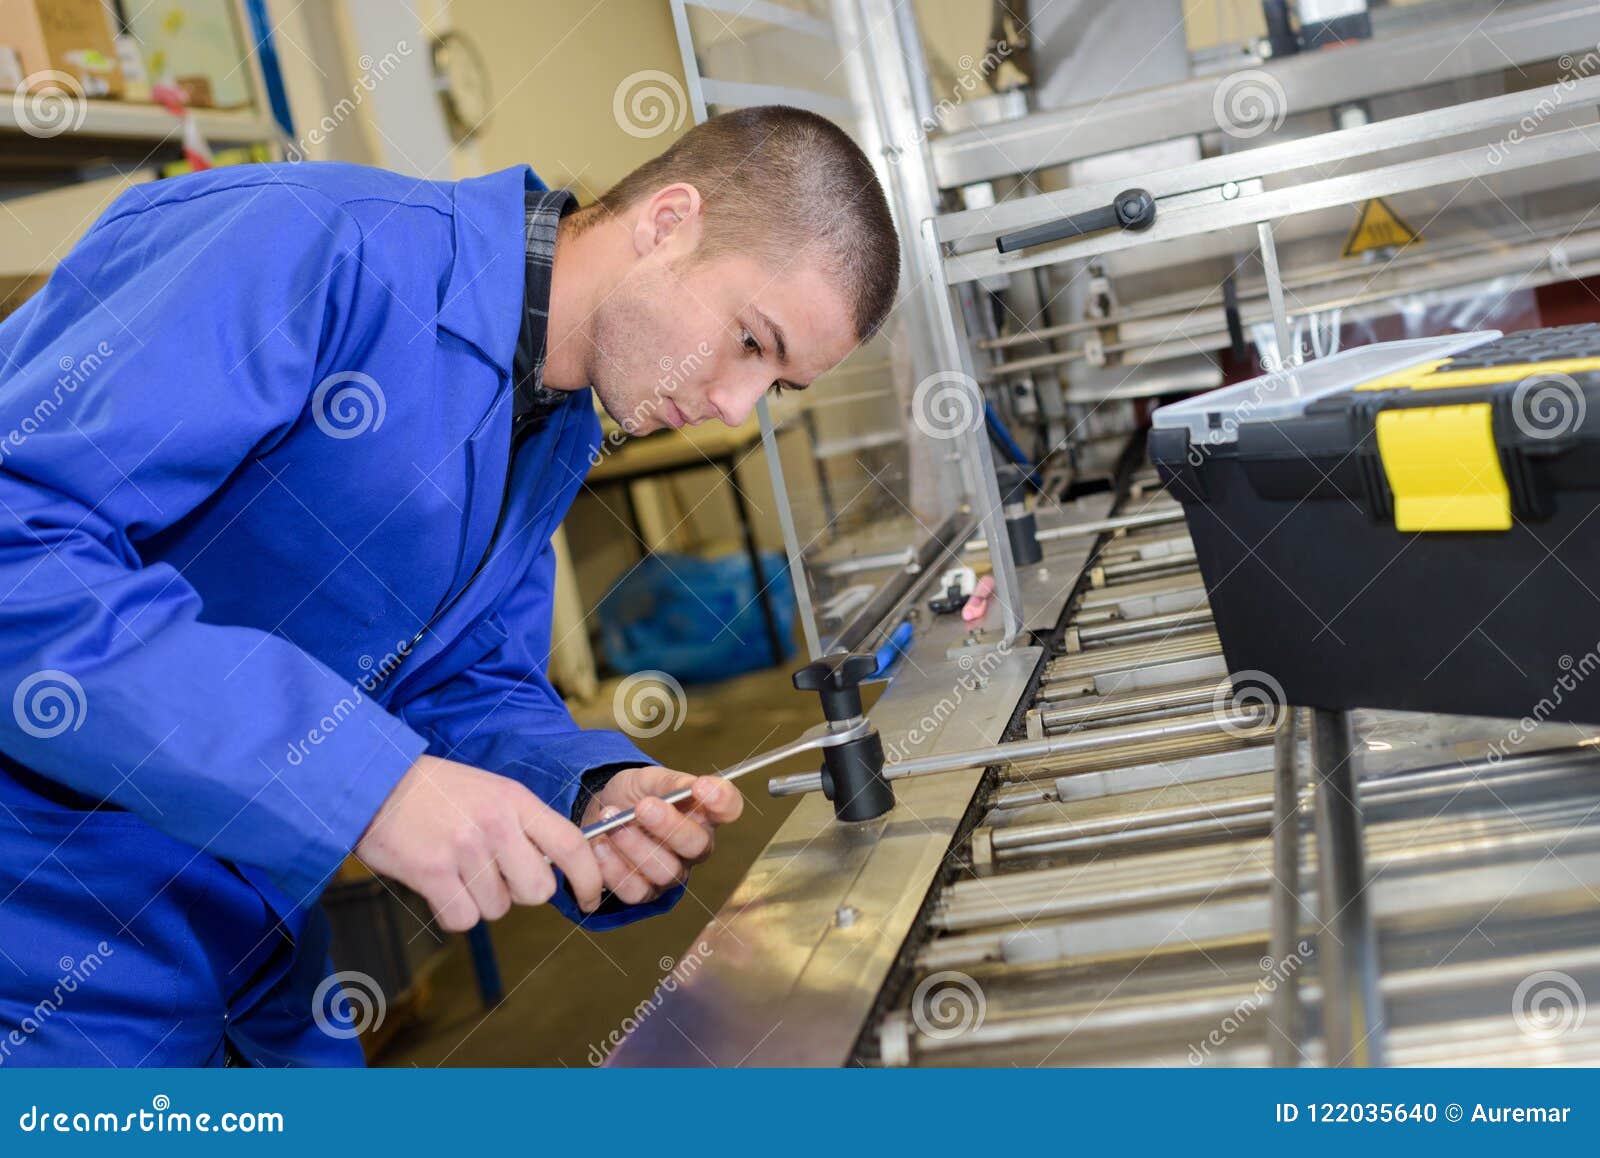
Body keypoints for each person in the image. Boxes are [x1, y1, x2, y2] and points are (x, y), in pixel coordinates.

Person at [0, 105, 901, 1065]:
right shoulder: (305, 247)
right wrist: (365, 785)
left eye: (777, 385)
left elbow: (456, 675)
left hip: (241, 952)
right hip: (43, 935)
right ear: (668, 220)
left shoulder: (550, 422)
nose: (732, 405)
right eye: (751, 343)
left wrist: (583, 794)